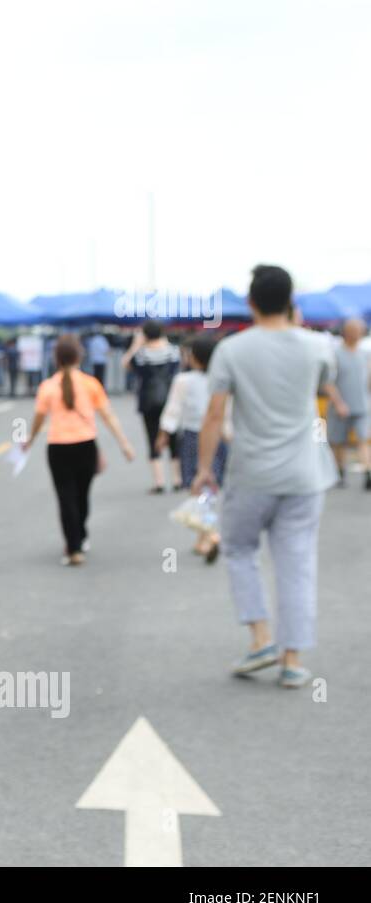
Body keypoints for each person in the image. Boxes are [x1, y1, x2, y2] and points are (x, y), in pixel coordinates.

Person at [194, 265, 342, 689]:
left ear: (251, 302)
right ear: (292, 302)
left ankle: (260, 637)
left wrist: (204, 469)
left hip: (252, 472)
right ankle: (292, 661)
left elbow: (214, 414)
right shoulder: (317, 347)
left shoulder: (231, 350)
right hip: (305, 474)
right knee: (297, 562)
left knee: (239, 549)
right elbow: (321, 386)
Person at [23, 334, 136, 566]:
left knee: (66, 498)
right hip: (86, 446)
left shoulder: (48, 387)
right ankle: (79, 536)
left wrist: (30, 440)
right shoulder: (90, 384)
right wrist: (124, 444)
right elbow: (108, 416)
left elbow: (38, 419)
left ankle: (74, 547)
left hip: (58, 448)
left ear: (56, 358)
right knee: (82, 496)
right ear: (79, 356)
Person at [156, 333, 228, 561]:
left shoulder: (184, 381)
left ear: (194, 357)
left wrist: (163, 434)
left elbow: (173, 410)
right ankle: (203, 537)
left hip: (192, 438)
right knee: (210, 488)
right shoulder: (222, 380)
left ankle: (210, 534)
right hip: (219, 438)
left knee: (199, 487)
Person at [123, 320, 180, 493]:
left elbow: (126, 364)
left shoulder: (141, 354)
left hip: (148, 400)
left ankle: (159, 481)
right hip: (171, 398)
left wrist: (135, 345)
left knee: (152, 436)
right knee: (174, 437)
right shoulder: (173, 351)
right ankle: (178, 479)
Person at [328, 318, 370, 488]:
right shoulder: (335, 354)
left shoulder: (365, 355)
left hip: (362, 406)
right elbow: (328, 383)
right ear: (345, 332)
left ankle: (368, 472)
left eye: (359, 330)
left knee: (363, 439)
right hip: (340, 406)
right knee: (338, 441)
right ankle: (339, 471)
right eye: (353, 330)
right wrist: (338, 403)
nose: (357, 334)